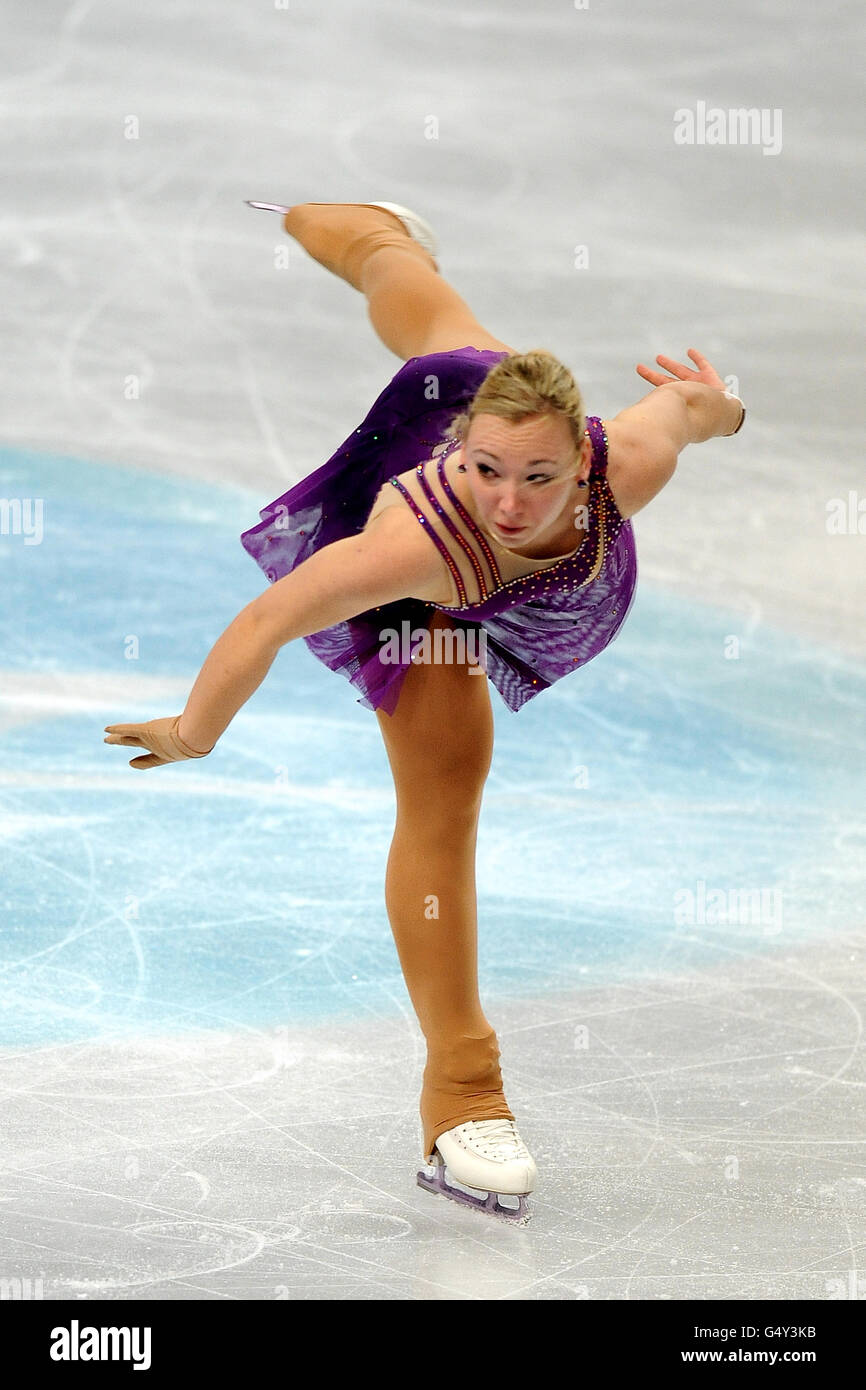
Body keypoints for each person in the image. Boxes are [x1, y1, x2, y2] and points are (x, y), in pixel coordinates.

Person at [105, 201, 745, 1223]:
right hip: (432, 584)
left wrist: (722, 406)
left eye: (537, 477)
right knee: (446, 790)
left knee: (432, 310)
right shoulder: (417, 546)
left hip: (483, 403)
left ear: (581, 465)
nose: (506, 500)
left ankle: (375, 235)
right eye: (486, 469)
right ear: (461, 448)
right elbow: (270, 615)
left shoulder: (626, 462)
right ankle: (461, 1088)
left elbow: (686, 415)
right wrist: (193, 732)